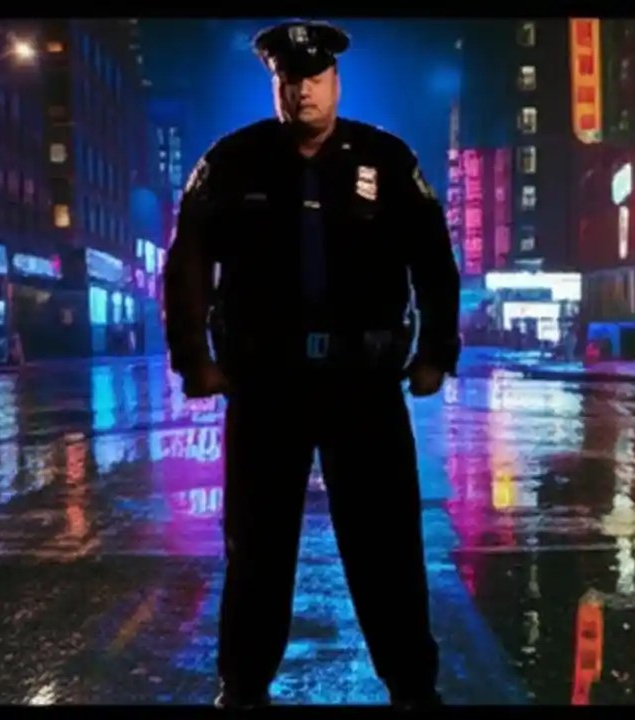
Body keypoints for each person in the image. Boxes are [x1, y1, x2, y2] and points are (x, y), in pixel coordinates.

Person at [163, 19, 460, 709]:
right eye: (287, 80)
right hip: (267, 386)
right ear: (275, 84)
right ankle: (242, 688)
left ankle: (414, 688)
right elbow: (187, 264)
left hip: (364, 387)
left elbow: (433, 262)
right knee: (257, 550)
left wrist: (435, 353)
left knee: (386, 545)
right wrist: (193, 359)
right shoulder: (232, 162)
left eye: (314, 78)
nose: (301, 92)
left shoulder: (386, 160)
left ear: (336, 81)